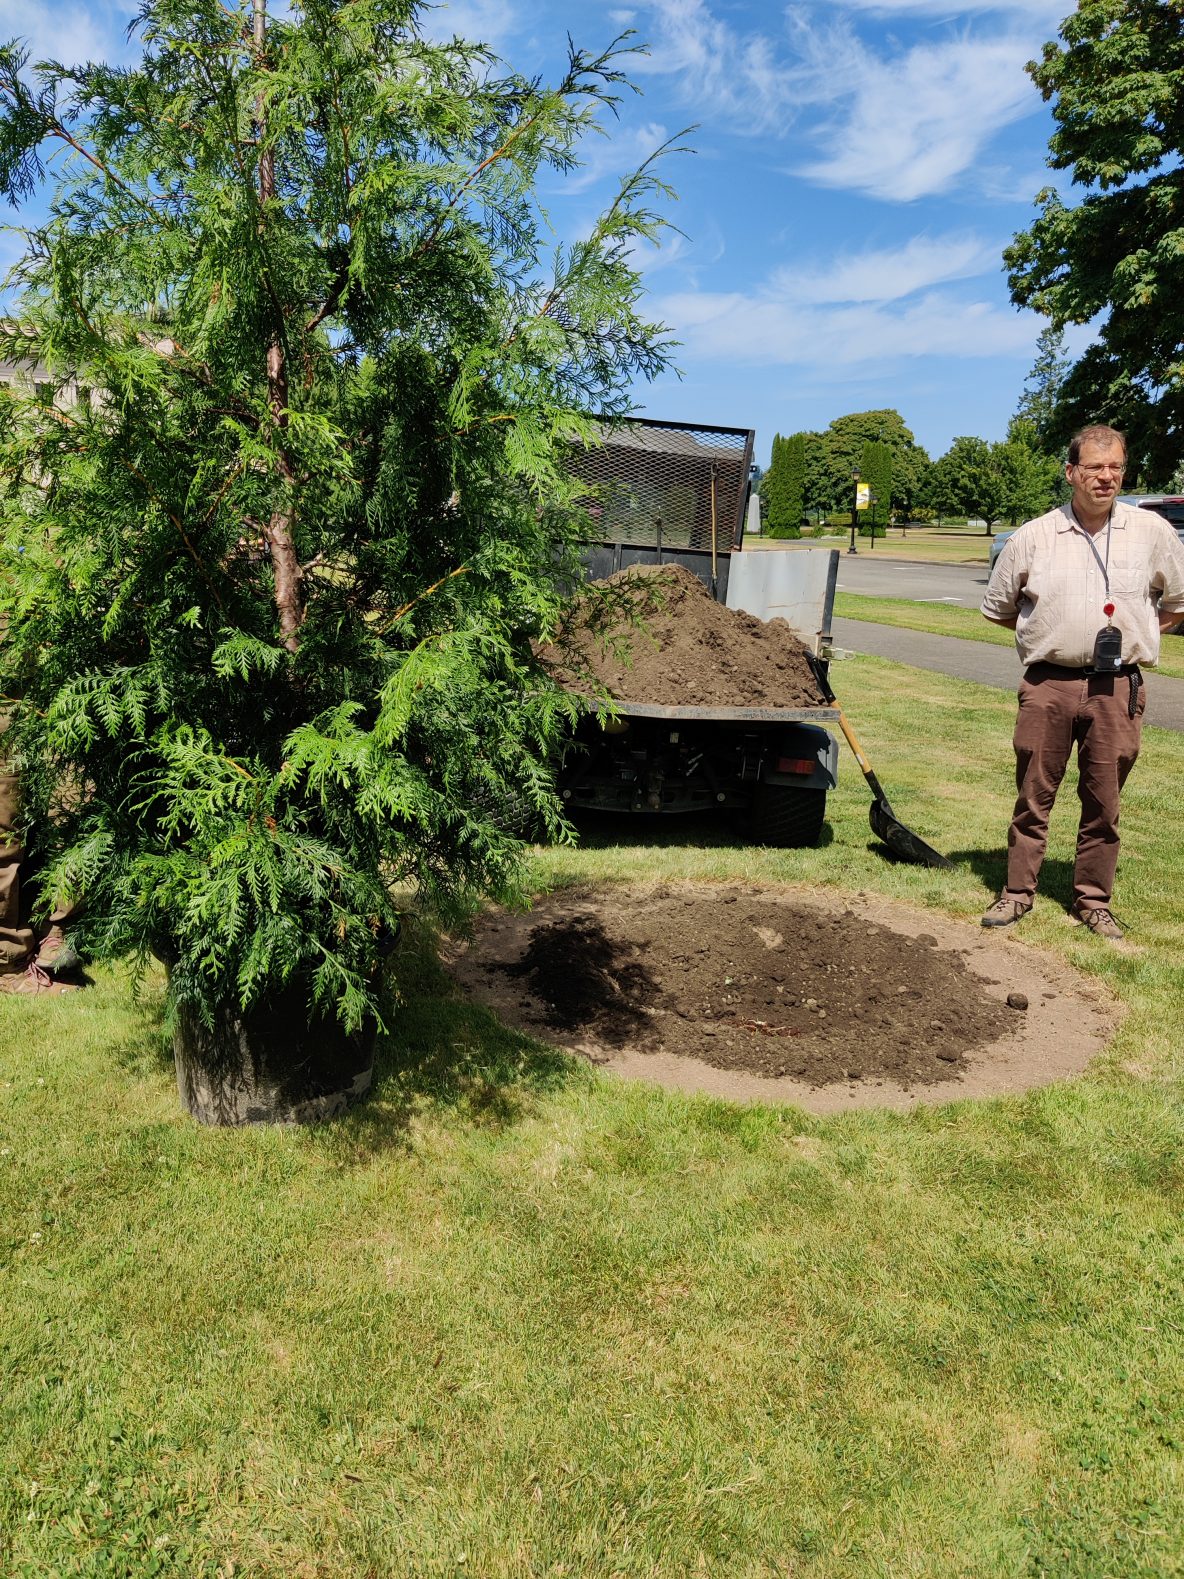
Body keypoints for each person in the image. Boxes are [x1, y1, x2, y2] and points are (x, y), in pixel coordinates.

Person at [979, 423, 1184, 940]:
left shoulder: (1153, 532)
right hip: (1048, 685)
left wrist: (1135, 632)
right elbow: (1000, 609)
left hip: (1117, 689)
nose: (1106, 477)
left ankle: (1093, 901)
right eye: (1094, 467)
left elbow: (1177, 603)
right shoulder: (1033, 536)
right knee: (1033, 794)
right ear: (1071, 472)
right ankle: (1017, 893)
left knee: (1105, 800)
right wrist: (1049, 635)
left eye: (1115, 467)